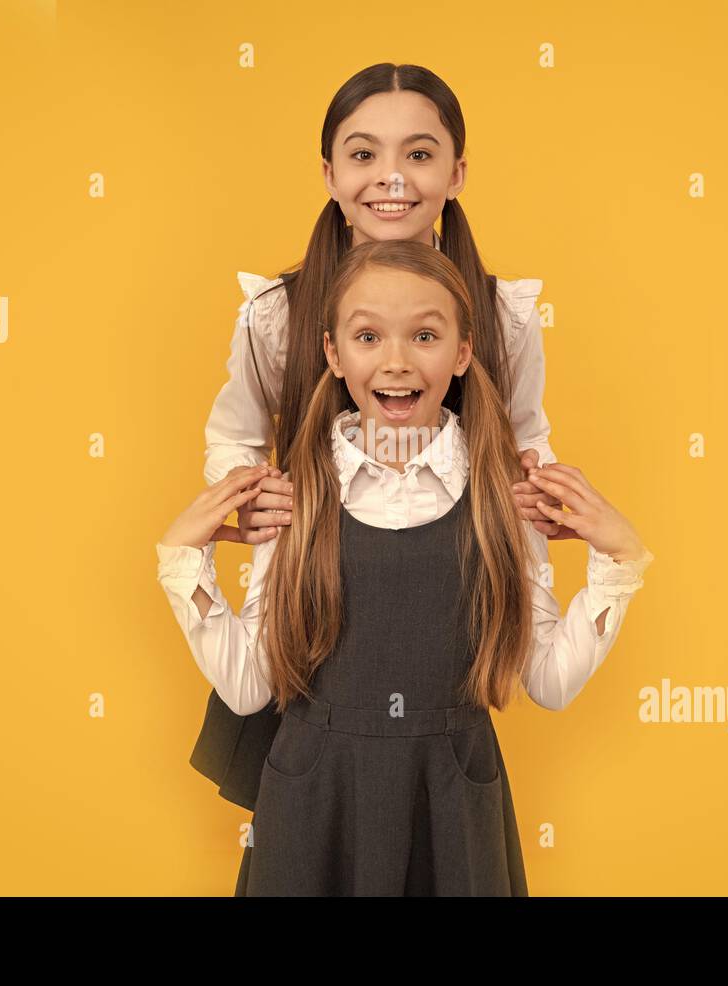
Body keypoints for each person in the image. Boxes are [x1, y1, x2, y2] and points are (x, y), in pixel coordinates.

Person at [157, 239, 653, 894]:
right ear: (334, 354)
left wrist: (619, 561)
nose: (396, 360)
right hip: (314, 801)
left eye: (425, 334)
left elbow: (550, 683)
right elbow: (250, 688)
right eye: (368, 336)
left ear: (463, 351)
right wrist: (185, 565)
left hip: (450, 799)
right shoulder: (296, 494)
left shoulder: (503, 496)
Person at [187, 62, 572, 811]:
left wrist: (542, 496)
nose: (391, 177)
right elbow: (233, 437)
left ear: (457, 172)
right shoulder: (277, 312)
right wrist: (249, 497)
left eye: (418, 154)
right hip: (319, 609)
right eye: (364, 155)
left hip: (438, 608)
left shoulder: (503, 316)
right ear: (330, 173)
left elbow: (528, 437)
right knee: (312, 838)